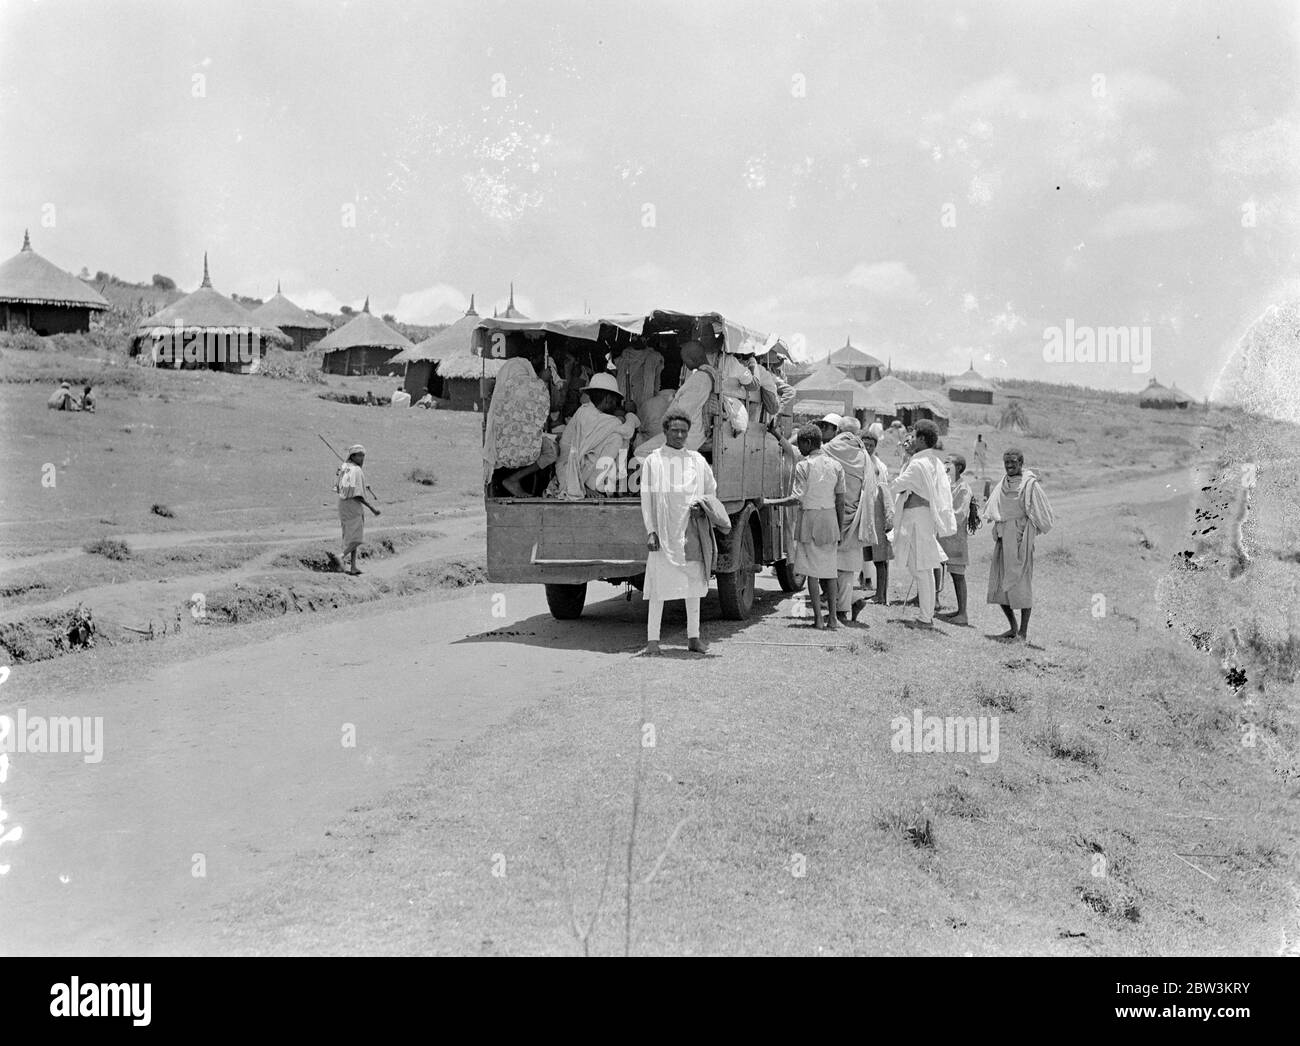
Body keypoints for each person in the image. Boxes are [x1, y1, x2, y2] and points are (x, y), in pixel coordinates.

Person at [640, 409, 729, 655]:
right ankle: (652, 642)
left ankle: (693, 638)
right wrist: (651, 530)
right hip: (663, 531)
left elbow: (711, 490)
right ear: (665, 431)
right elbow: (646, 499)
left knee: (694, 587)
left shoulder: (697, 461)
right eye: (675, 430)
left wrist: (704, 507)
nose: (679, 435)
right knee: (659, 587)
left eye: (683, 431)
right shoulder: (653, 461)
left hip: (692, 530)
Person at [767, 423, 846, 630]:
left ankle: (818, 619)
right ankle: (833, 618)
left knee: (812, 572)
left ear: (807, 442)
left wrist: (769, 503)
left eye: (801, 444)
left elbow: (796, 497)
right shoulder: (836, 466)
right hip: (830, 522)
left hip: (810, 521)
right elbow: (840, 501)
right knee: (830, 572)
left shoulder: (804, 466)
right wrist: (840, 528)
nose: (799, 449)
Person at [890, 419, 956, 628]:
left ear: (921, 438)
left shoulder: (918, 463)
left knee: (921, 569)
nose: (910, 438)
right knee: (923, 568)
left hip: (917, 519)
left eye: (914, 435)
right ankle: (926, 614)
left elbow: (897, 485)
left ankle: (926, 618)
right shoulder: (932, 461)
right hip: (922, 518)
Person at [986, 448, 1054, 641]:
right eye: (1006, 462)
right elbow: (994, 508)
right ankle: (1013, 628)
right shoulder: (1002, 483)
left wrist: (1026, 532)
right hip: (1002, 539)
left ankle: (1023, 633)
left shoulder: (1030, 484)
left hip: (1019, 542)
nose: (1009, 465)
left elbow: (1043, 514)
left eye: (1013, 462)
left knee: (1022, 586)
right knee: (1000, 585)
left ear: (1021, 463)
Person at [553, 373, 639, 498]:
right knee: (617, 438)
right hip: (569, 471)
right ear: (608, 399)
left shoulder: (587, 411)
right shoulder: (592, 415)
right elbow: (628, 431)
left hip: (578, 469)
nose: (615, 404)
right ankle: (588, 486)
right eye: (614, 400)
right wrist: (631, 414)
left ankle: (605, 485)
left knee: (613, 438)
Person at [483, 356, 552, 496]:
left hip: (501, 454)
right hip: (527, 453)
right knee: (552, 452)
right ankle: (514, 480)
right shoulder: (533, 390)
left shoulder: (498, 396)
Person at [634, 342, 717, 456]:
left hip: (685, 435)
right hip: (688, 432)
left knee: (640, 452)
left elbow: (683, 412)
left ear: (692, 360)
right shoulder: (708, 374)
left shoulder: (700, 380)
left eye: (685, 360)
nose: (684, 364)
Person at [935, 453, 973, 625]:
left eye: (948, 462)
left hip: (955, 538)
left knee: (958, 575)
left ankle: (963, 613)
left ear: (958, 468)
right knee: (935, 566)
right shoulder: (946, 484)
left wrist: (940, 516)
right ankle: (934, 601)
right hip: (942, 535)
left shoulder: (963, 488)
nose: (945, 465)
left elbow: (960, 514)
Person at [336, 445, 381, 575]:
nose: (362, 458)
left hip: (343, 505)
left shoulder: (345, 468)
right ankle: (341, 556)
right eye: (359, 455)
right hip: (353, 505)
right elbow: (357, 495)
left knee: (351, 536)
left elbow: (339, 487)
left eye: (363, 455)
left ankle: (353, 566)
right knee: (357, 538)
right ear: (353, 456)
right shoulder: (355, 470)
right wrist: (372, 508)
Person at [861, 428, 894, 604]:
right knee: (872, 558)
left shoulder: (878, 465)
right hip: (866, 512)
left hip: (877, 512)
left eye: (871, 445)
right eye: (864, 444)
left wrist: (888, 517)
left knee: (880, 558)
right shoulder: (860, 460)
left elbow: (883, 492)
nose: (867, 448)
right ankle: (878, 593)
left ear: (875, 446)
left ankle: (881, 595)